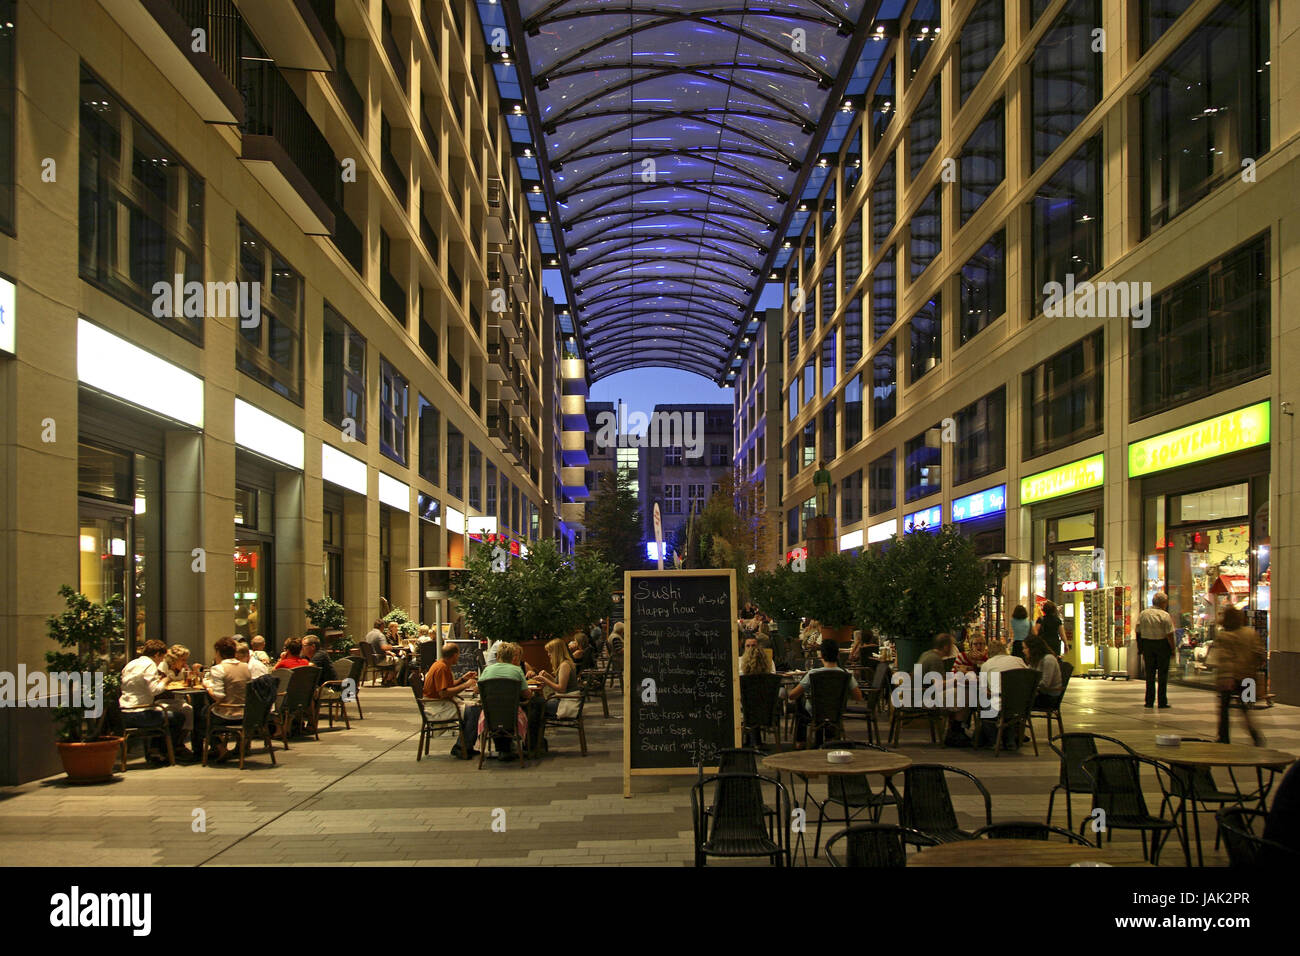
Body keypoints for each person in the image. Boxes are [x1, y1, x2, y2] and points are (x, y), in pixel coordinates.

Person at [119, 639, 196, 763]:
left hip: (125, 712)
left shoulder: (131, 663)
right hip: (142, 713)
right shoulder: (150, 665)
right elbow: (155, 690)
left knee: (168, 714)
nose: (161, 661)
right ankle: (167, 751)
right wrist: (165, 680)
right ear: (157, 655)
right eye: (161, 657)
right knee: (178, 717)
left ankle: (157, 750)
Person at [787, 638, 863, 749]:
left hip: (814, 711)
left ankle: (800, 741)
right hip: (836, 711)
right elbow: (858, 697)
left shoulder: (813, 674)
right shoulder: (845, 674)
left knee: (800, 703)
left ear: (821, 655)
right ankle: (830, 737)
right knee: (829, 708)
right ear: (837, 655)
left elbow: (792, 695)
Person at [1207, 605, 1266, 745]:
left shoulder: (1224, 636)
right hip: (1249, 678)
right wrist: (1254, 666)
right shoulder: (1250, 633)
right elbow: (1260, 653)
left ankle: (1223, 737)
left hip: (1229, 679)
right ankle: (1255, 735)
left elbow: (1225, 659)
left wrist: (1226, 677)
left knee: (1224, 709)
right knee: (1246, 708)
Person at [476, 642, 534, 760]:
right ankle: (527, 746)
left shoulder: (487, 670)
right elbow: (526, 695)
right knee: (533, 707)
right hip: (512, 714)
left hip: (489, 715)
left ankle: (502, 749)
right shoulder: (517, 670)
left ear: (497, 656)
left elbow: (478, 689)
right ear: (513, 656)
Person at [203, 636, 251, 760]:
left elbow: (219, 697)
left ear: (218, 652)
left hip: (228, 715)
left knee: (202, 715)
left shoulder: (218, 669)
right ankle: (240, 744)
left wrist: (207, 686)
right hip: (246, 713)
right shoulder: (245, 666)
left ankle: (219, 748)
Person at [1136, 591, 1176, 709]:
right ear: (1163, 603)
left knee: (1150, 674)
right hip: (1162, 645)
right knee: (1163, 675)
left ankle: (1149, 701)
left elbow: (1137, 631)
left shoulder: (1143, 614)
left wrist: (1140, 647)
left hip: (1147, 645)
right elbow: (1169, 634)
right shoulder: (1164, 615)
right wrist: (1173, 649)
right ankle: (1162, 701)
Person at [535, 637, 578, 718]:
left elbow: (561, 689)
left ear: (556, 652)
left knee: (535, 704)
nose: (548, 654)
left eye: (550, 652)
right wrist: (548, 676)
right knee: (537, 702)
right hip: (565, 699)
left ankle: (534, 730)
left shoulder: (564, 665)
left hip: (566, 703)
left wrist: (545, 680)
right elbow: (558, 683)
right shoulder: (565, 663)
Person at [1024, 635, 1063, 710]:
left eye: (1025, 648)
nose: (1023, 651)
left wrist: (1029, 685)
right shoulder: (1036, 660)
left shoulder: (1048, 659)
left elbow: (1045, 684)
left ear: (1033, 648)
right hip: (1040, 694)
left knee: (1015, 700)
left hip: (1049, 698)